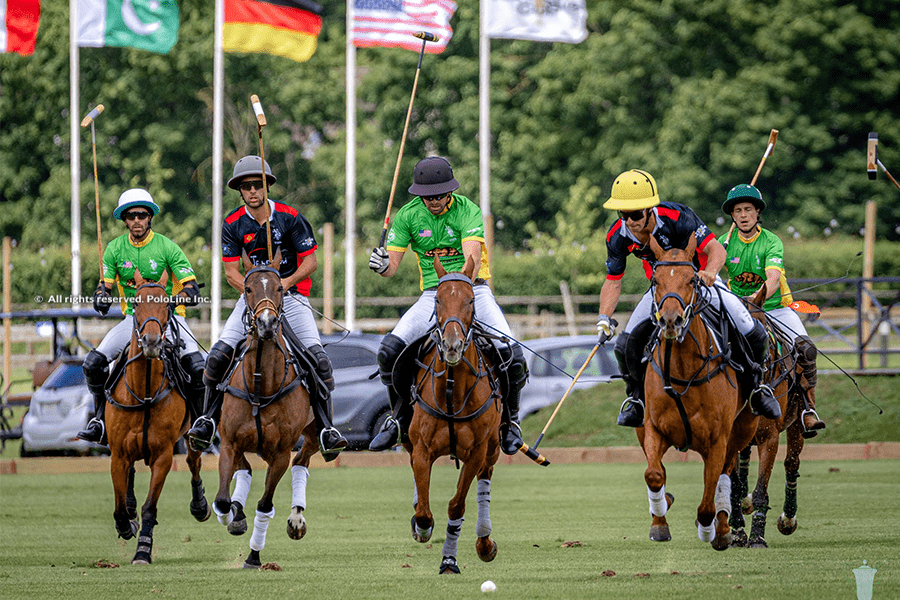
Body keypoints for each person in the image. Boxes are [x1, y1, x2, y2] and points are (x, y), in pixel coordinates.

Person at [186, 155, 348, 460]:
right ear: (240, 192)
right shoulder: (233, 224)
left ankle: (327, 429)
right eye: (246, 187)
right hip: (252, 301)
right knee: (218, 355)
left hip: (292, 297)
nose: (252, 191)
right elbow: (231, 272)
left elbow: (311, 262)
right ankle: (206, 420)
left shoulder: (290, 217)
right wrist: (256, 293)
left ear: (267, 186)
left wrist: (281, 285)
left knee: (319, 360)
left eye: (257, 185)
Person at [366, 156, 527, 454]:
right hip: (433, 294)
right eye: (427, 197)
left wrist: (460, 291)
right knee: (388, 352)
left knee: (513, 355)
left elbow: (472, 262)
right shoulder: (408, 215)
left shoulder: (468, 211)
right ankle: (398, 418)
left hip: (471, 290)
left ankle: (510, 423)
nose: (434, 201)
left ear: (450, 191)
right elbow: (392, 269)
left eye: (439, 195)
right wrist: (383, 264)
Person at [596, 169, 782, 427]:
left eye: (636, 214)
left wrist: (710, 272)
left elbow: (715, 249)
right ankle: (636, 400)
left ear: (650, 209)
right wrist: (604, 318)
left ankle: (756, 389)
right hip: (662, 290)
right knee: (624, 345)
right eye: (623, 214)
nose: (630, 221)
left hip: (700, 280)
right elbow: (612, 281)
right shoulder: (617, 235)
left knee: (749, 326)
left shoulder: (678, 216)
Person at [76, 189, 205, 444]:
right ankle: (100, 420)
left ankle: (201, 424)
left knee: (198, 366)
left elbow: (192, 289)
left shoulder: (167, 247)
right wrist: (101, 297)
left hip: (171, 318)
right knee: (92, 364)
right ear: (124, 219)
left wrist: (173, 300)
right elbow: (105, 288)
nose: (136, 220)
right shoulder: (114, 249)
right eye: (131, 215)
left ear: (150, 218)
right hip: (133, 320)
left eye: (142, 215)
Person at [719, 184, 826, 436]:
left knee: (806, 349)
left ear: (757, 212)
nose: (743, 215)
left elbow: (773, 279)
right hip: (738, 313)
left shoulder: (771, 241)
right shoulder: (723, 243)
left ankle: (807, 409)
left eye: (748, 209)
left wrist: (754, 300)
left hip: (775, 308)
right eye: (738, 211)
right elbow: (708, 271)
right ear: (732, 216)